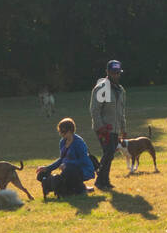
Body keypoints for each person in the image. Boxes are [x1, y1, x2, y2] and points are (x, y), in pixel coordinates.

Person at [89, 59, 127, 190]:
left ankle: (105, 181)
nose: (116, 75)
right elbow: (95, 109)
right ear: (108, 72)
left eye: (118, 73)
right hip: (104, 128)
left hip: (115, 128)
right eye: (113, 73)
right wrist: (101, 127)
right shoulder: (102, 88)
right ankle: (100, 181)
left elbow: (121, 111)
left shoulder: (121, 90)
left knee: (110, 154)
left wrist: (123, 129)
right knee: (109, 152)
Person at [36, 117, 95, 197]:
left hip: (82, 169)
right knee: (41, 174)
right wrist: (47, 168)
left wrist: (67, 164)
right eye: (60, 131)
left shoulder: (79, 143)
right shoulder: (63, 142)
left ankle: (80, 188)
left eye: (63, 132)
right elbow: (61, 159)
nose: (61, 134)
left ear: (70, 131)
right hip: (67, 170)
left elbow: (83, 160)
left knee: (69, 170)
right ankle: (69, 188)